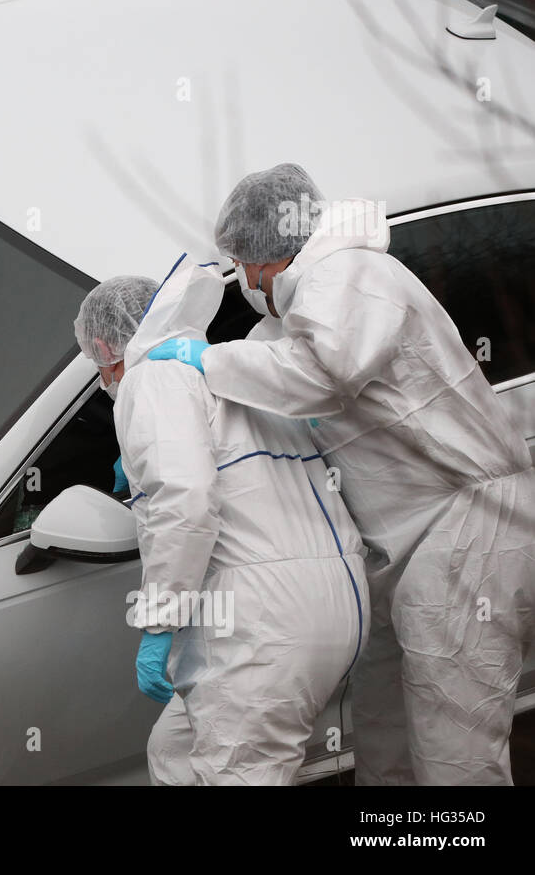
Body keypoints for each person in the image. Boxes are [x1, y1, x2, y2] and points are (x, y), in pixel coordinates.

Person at [149, 163, 535, 785]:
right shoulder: (300, 309)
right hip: (404, 545)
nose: (244, 282)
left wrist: (208, 361)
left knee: (454, 741)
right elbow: (281, 386)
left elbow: (320, 376)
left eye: (243, 267)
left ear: (271, 255)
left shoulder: (350, 274)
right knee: (386, 731)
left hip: (467, 531)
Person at [74, 257, 367, 784]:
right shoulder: (228, 364)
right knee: (174, 752)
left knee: (237, 772)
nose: (101, 383)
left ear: (103, 349)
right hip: (336, 601)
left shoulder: (152, 379)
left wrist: (159, 621)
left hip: (262, 625)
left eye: (96, 366)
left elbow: (185, 500)